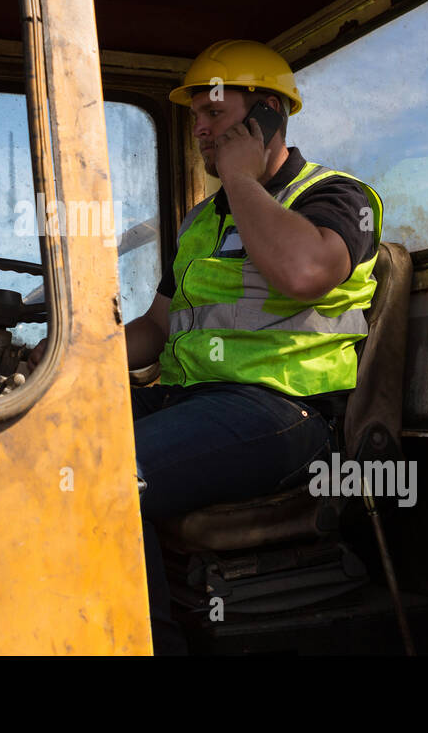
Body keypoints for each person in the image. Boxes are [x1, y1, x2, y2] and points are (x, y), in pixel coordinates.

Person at [30, 39, 383, 654]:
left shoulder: (338, 197)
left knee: (104, 477)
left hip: (282, 416)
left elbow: (303, 273)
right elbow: (158, 327)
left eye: (214, 114)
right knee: (38, 444)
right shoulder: (201, 221)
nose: (200, 130)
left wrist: (243, 177)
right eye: (195, 117)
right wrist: (70, 362)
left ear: (268, 114)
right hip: (188, 402)